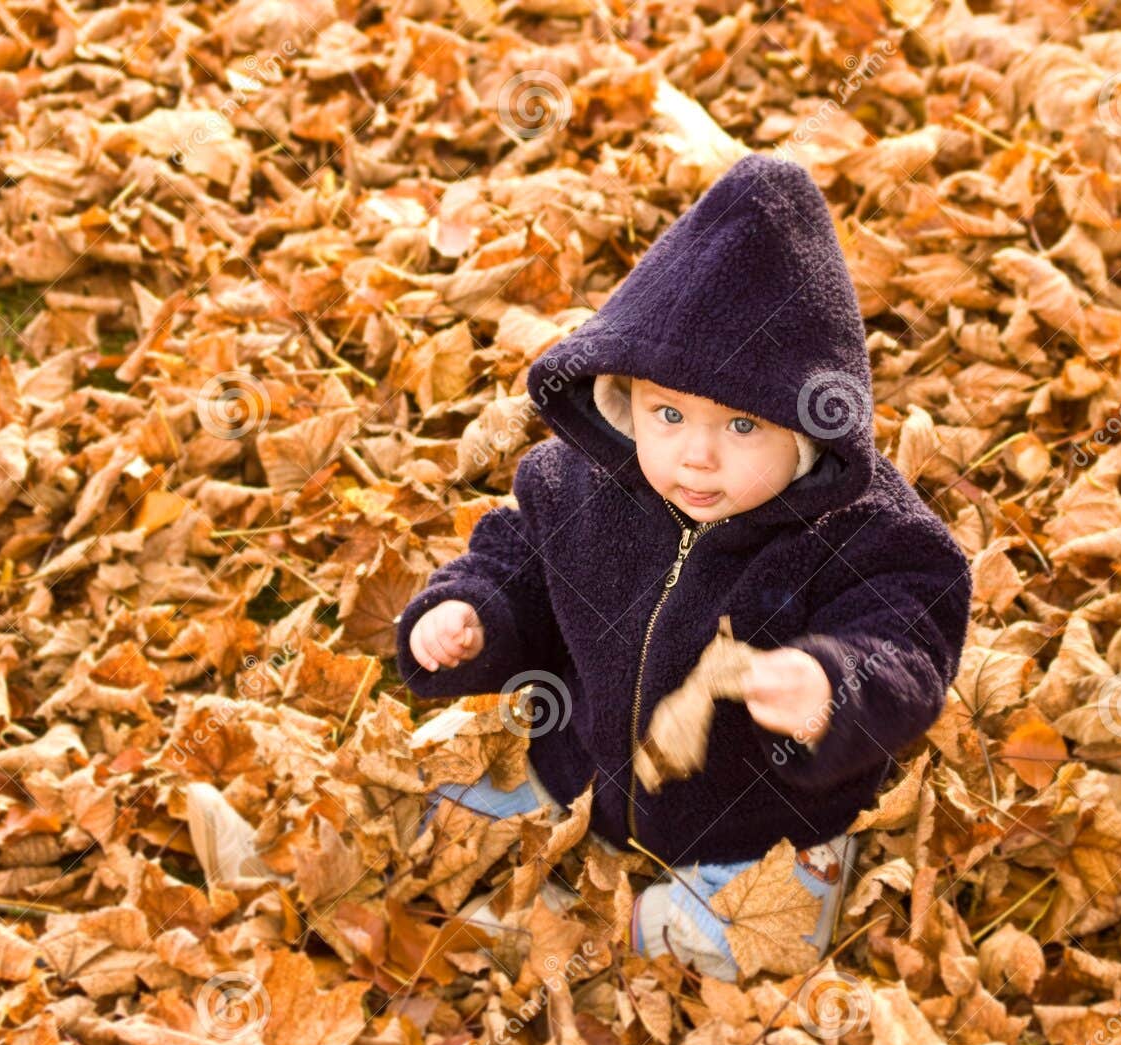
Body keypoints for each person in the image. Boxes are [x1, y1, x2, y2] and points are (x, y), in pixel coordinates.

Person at [396, 152, 972, 982]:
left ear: (808, 427)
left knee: (745, 934)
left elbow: (909, 634)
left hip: (760, 816)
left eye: (742, 428)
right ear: (626, 397)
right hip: (583, 759)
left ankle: (610, 931)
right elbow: (517, 562)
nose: (697, 457)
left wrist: (831, 685)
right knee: (439, 803)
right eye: (668, 414)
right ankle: (541, 887)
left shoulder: (864, 532)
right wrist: (469, 614)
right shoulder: (585, 483)